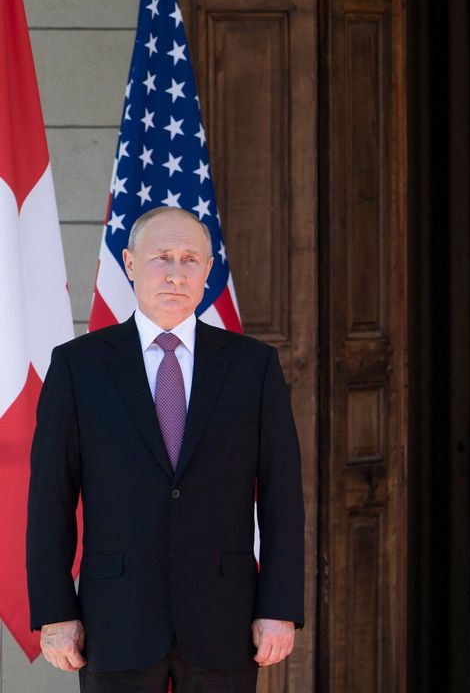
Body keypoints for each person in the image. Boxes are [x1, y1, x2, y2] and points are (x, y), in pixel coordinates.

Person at [27, 206, 304, 692]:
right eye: (161, 258)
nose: (176, 273)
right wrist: (55, 612)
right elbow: (51, 497)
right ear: (130, 264)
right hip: (115, 620)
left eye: (190, 259)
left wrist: (279, 608)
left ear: (208, 269)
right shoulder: (78, 366)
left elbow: (282, 496)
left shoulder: (253, 366)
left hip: (225, 619)